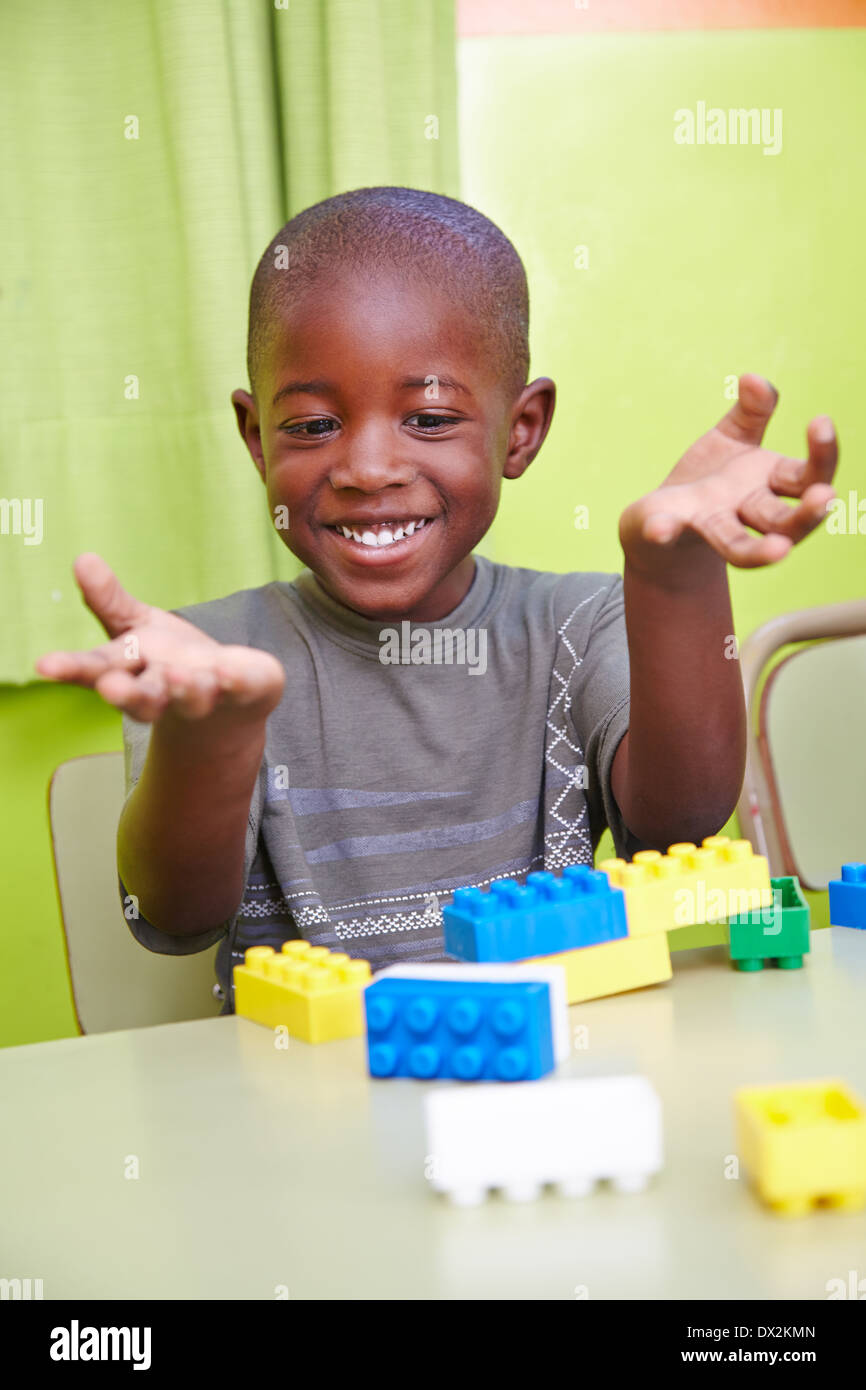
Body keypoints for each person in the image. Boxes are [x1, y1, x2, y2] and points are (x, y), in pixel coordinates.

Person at [35, 187, 838, 1008]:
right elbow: (175, 914)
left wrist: (677, 580)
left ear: (520, 431)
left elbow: (682, 825)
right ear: (255, 439)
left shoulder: (580, 626)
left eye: (427, 418)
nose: (368, 469)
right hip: (307, 1105)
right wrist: (211, 742)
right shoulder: (207, 668)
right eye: (313, 426)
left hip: (548, 1080)